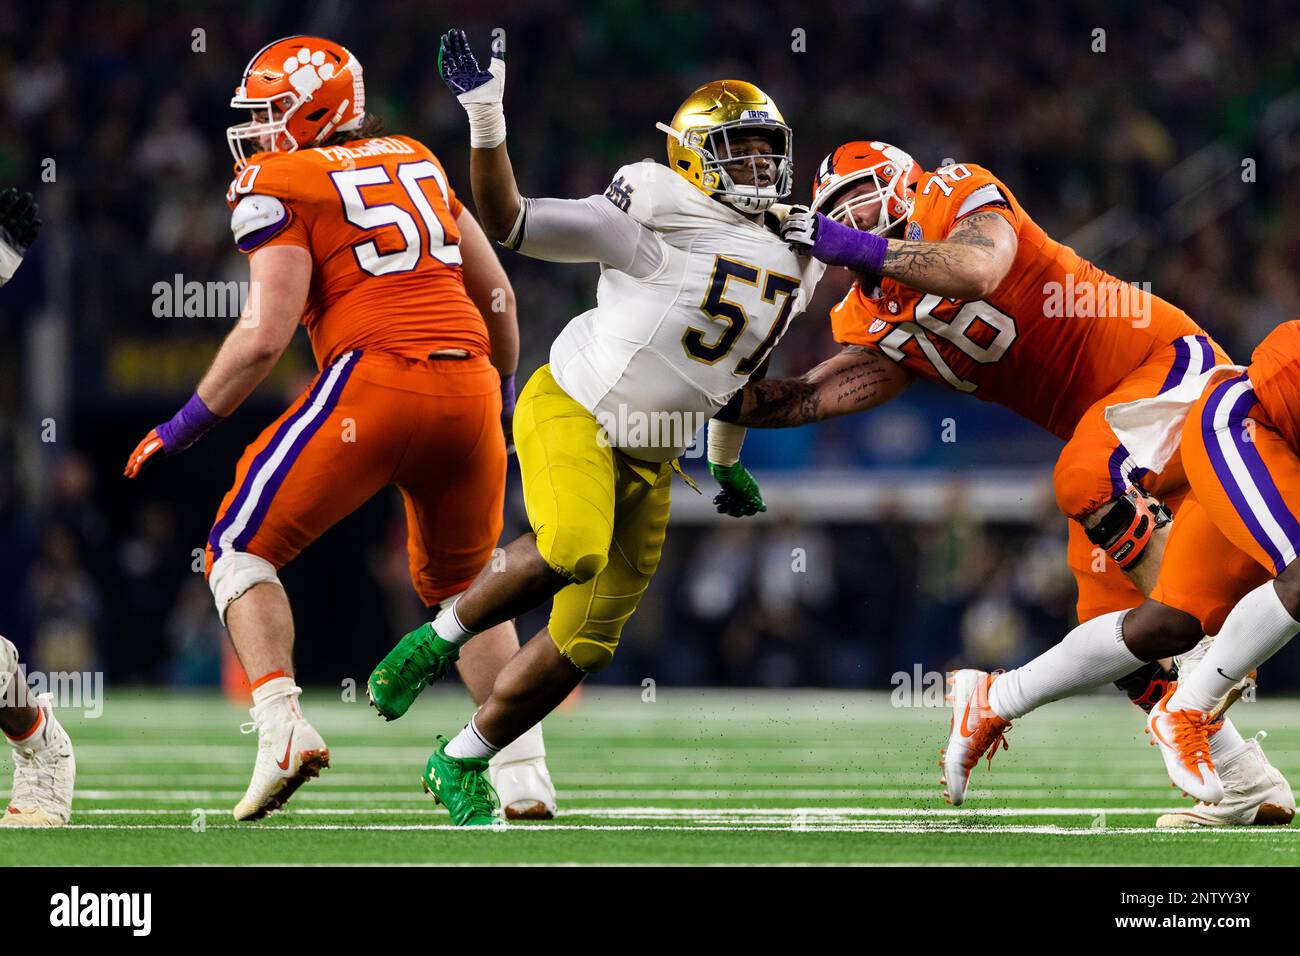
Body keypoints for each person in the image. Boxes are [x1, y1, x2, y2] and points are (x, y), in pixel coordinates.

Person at [721, 140, 1290, 826]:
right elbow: (808, 398)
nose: (854, 220)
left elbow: (978, 269)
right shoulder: (865, 314)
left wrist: (855, 245)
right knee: (1112, 630)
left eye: (863, 198)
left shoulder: (956, 189)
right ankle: (1244, 780)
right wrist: (700, 392)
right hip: (1117, 438)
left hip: (1168, 368)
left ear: (902, 184)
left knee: (1081, 477)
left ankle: (1202, 661)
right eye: (838, 213)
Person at [366, 30, 823, 825]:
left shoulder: (795, 254)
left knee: (586, 641)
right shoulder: (653, 206)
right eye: (737, 150)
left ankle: (461, 759)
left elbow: (732, 371)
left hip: (653, 459)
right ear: (690, 159)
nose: (757, 165)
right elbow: (508, 218)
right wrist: (484, 119)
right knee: (571, 545)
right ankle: (433, 643)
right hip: (575, 408)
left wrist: (724, 461)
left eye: (764, 150)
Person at [123, 35, 555, 821]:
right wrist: (499, 392)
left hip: (377, 380)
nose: (253, 134)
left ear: (312, 109)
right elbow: (500, 298)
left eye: (266, 114)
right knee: (468, 594)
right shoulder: (418, 157)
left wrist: (185, 422)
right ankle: (525, 776)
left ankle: (281, 727)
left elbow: (263, 334)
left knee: (236, 546)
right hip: (468, 382)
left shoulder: (277, 177)